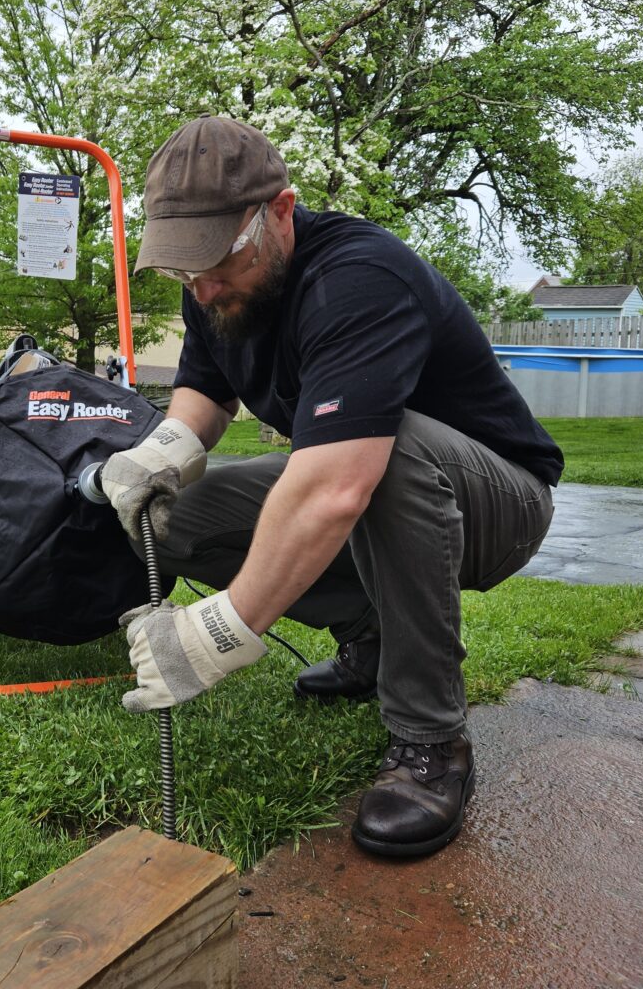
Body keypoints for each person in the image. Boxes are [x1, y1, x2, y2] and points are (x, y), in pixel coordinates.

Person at [100, 116, 563, 858]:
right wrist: (162, 451)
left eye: (220, 260)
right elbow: (205, 396)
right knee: (179, 518)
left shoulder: (358, 278)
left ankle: (430, 741)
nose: (205, 285)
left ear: (281, 211)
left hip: (497, 504)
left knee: (385, 450)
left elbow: (336, 486)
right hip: (366, 478)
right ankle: (371, 635)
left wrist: (221, 629)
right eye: (185, 270)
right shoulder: (212, 285)